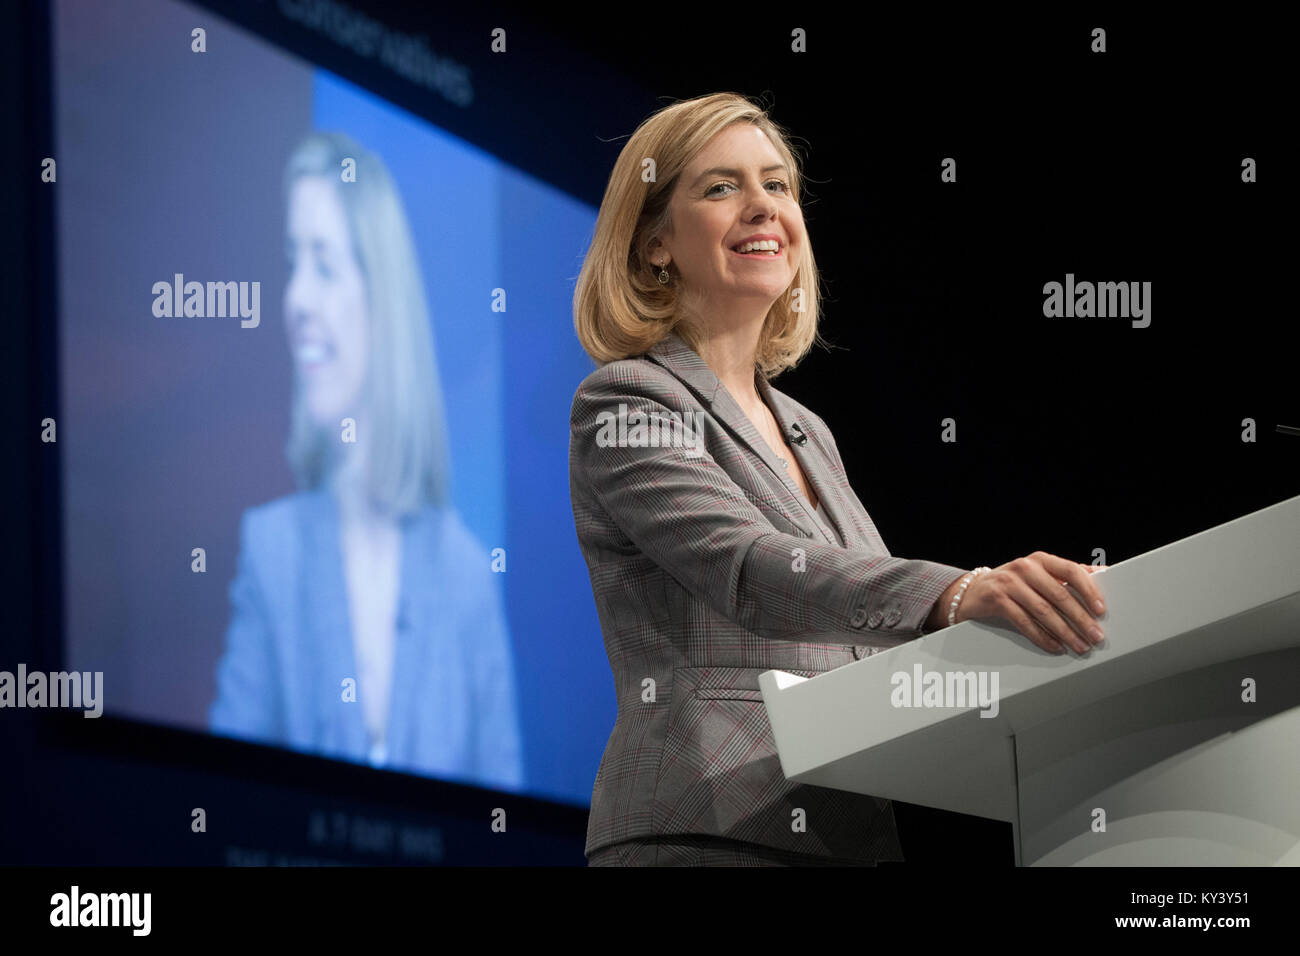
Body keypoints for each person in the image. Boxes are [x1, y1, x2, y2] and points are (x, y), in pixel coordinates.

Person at [568, 93, 1107, 866]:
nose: (763, 208)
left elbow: (864, 647)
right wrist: (957, 594)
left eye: (778, 185)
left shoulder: (808, 429)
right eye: (722, 188)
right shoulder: (628, 398)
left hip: (846, 834)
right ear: (656, 241)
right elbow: (744, 566)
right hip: (702, 825)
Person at [209, 131, 523, 792]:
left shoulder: (467, 580)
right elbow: (223, 803)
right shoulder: (270, 552)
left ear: (382, 298)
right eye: (292, 263)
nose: (294, 299)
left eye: (323, 265)